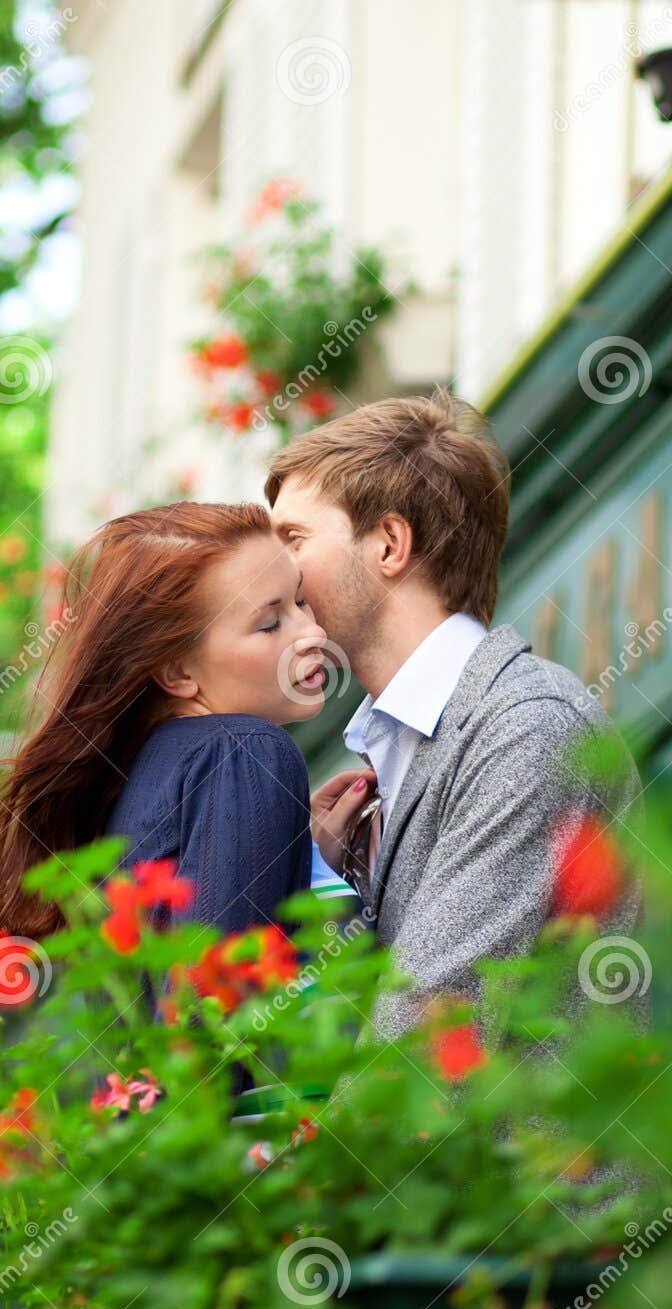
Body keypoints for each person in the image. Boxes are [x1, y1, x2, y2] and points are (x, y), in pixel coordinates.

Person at [265, 388, 640, 1035]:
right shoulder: (403, 750)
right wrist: (313, 880)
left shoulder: (525, 725)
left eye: (291, 539)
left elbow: (424, 1038)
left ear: (389, 544)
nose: (271, 572)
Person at [0, 502, 375, 942]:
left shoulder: (142, 779)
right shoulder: (244, 750)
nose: (313, 633)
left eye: (300, 600)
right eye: (269, 624)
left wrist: (296, 856)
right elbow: (218, 980)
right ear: (177, 672)